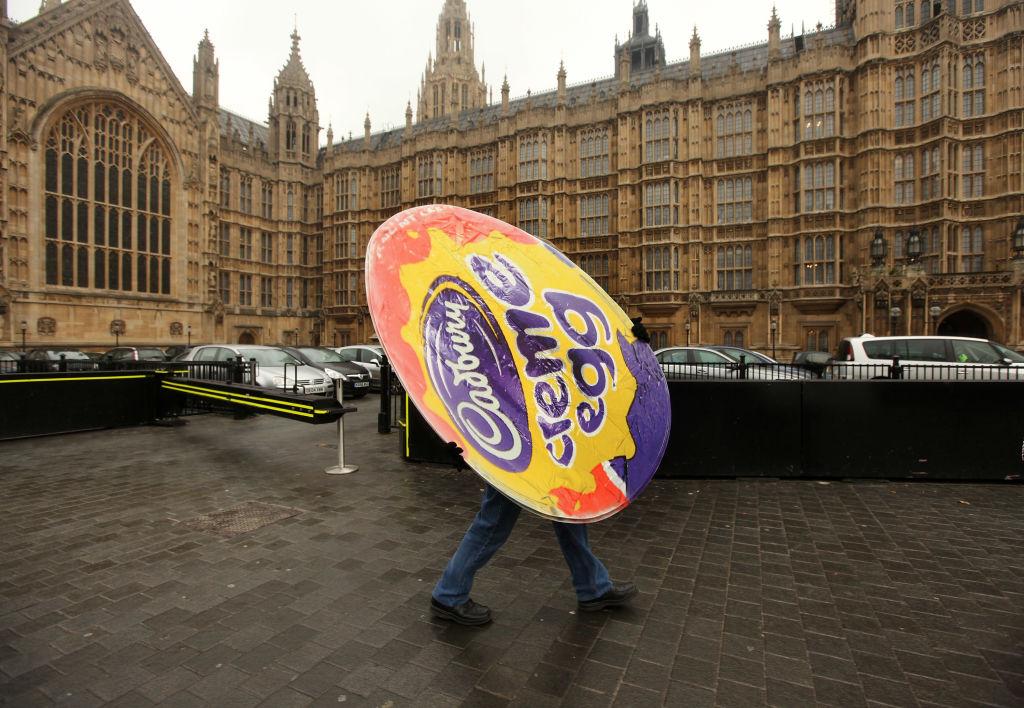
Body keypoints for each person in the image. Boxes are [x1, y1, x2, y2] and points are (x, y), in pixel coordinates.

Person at [429, 318, 652, 626]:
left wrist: (632, 341)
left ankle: (592, 587)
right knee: (494, 521)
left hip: (552, 430)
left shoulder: (532, 305)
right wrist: (452, 439)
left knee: (568, 511)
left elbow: (583, 337)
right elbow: (455, 375)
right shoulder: (487, 317)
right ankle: (449, 594)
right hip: (521, 440)